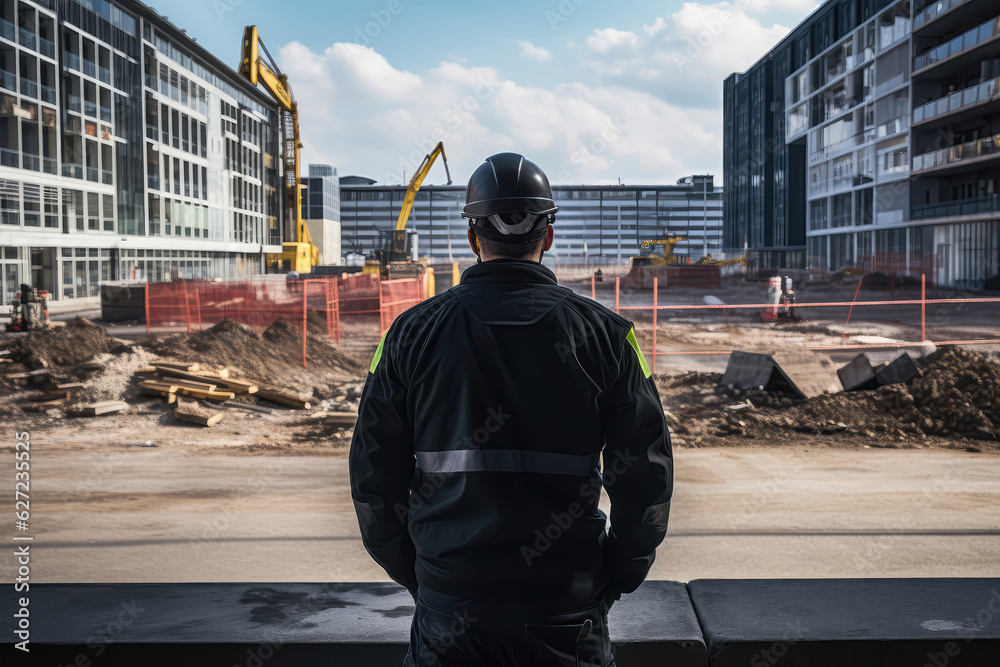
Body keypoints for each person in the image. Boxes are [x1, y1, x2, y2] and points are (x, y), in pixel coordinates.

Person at [350, 152, 672, 666]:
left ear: (472, 237)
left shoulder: (409, 335)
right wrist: (616, 575)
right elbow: (647, 478)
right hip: (566, 605)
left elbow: (372, 478)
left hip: (449, 605)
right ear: (549, 235)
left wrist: (425, 577)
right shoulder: (609, 337)